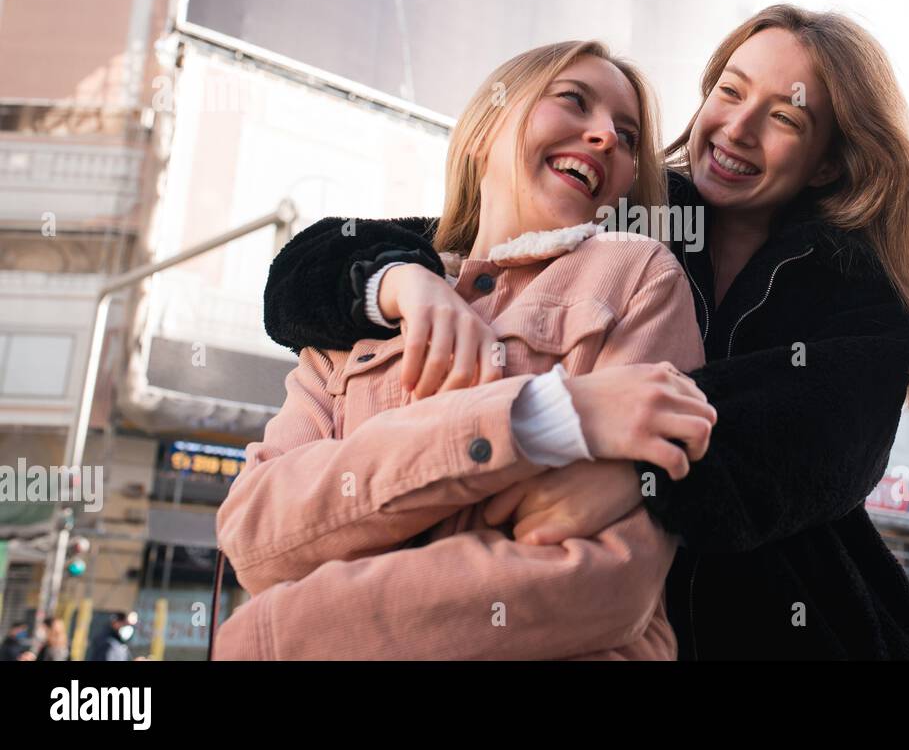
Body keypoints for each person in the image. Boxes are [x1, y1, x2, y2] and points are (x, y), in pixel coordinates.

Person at [262, 4, 909, 659]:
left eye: (784, 116)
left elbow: (819, 439)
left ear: (829, 158)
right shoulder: (622, 206)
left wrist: (634, 476)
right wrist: (396, 278)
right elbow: (382, 255)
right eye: (729, 91)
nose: (736, 127)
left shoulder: (862, 290)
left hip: (782, 624)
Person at [213, 40, 713, 660]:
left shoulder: (638, 275)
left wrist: (271, 637)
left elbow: (605, 580)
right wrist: (540, 419)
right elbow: (258, 532)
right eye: (573, 101)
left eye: (628, 135)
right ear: (484, 131)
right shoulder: (360, 312)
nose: (606, 136)